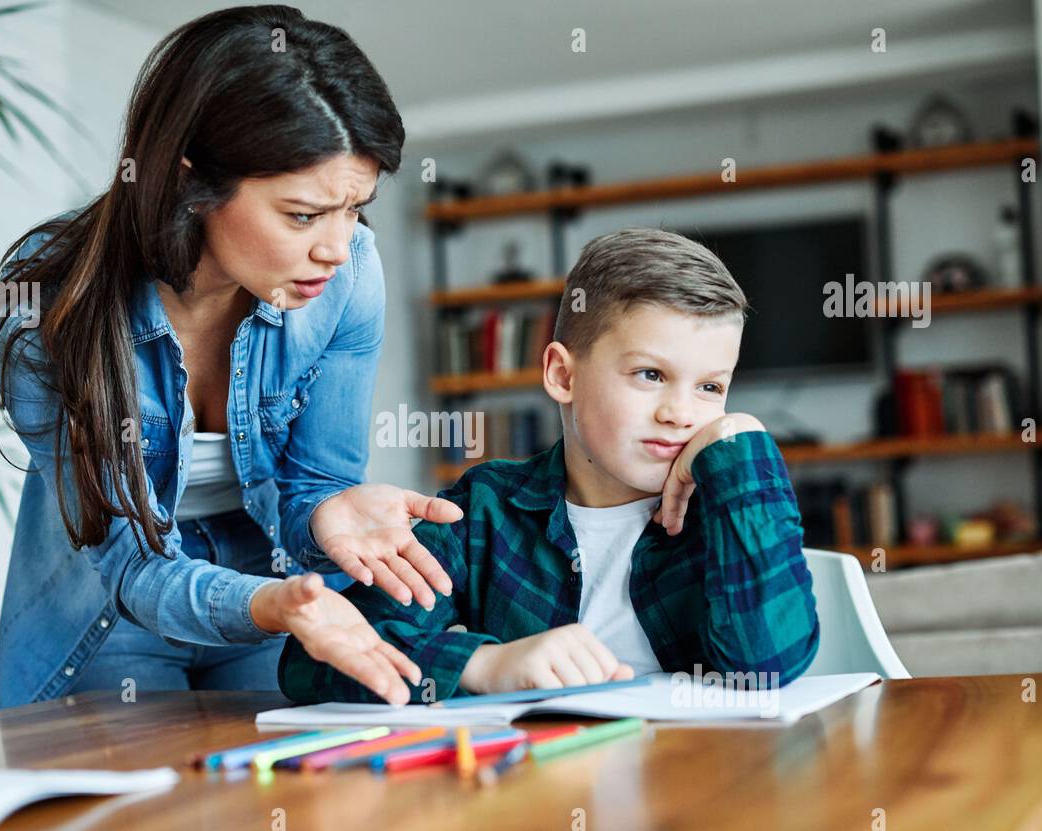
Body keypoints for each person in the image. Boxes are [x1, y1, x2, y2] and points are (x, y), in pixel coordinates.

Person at [0, 6, 457, 710]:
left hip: (278, 581)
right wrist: (273, 605)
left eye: (355, 208)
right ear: (190, 181)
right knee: (130, 813)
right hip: (111, 611)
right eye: (302, 214)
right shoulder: (47, 301)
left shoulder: (350, 274)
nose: (335, 245)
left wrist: (328, 514)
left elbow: (313, 484)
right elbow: (132, 565)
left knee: (287, 802)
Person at [278, 228, 820, 702]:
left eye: (710, 388)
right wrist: (482, 665)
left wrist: (736, 438)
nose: (680, 414)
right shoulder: (485, 511)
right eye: (650, 375)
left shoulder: (722, 510)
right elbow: (315, 661)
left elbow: (765, 666)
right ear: (563, 375)